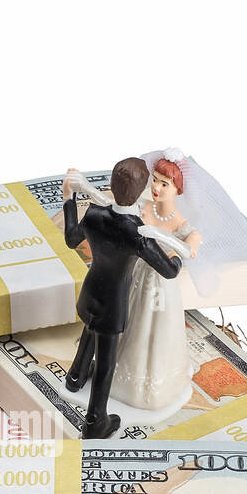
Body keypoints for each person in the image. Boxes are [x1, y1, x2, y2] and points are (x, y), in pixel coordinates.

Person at [62, 157, 183, 438]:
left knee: (88, 330)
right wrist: (176, 256)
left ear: (112, 186)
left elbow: (70, 239)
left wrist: (69, 198)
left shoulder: (94, 214)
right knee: (105, 365)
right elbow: (168, 271)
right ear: (141, 189)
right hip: (112, 306)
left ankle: (75, 377)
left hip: (89, 293)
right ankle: (95, 422)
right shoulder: (138, 234)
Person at [109, 153, 202, 411]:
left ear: (177, 190)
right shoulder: (143, 206)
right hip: (136, 274)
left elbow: (190, 245)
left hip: (161, 284)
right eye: (156, 181)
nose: (157, 188)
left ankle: (151, 385)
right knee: (130, 319)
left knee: (156, 328)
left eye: (165, 184)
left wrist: (179, 246)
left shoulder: (182, 225)